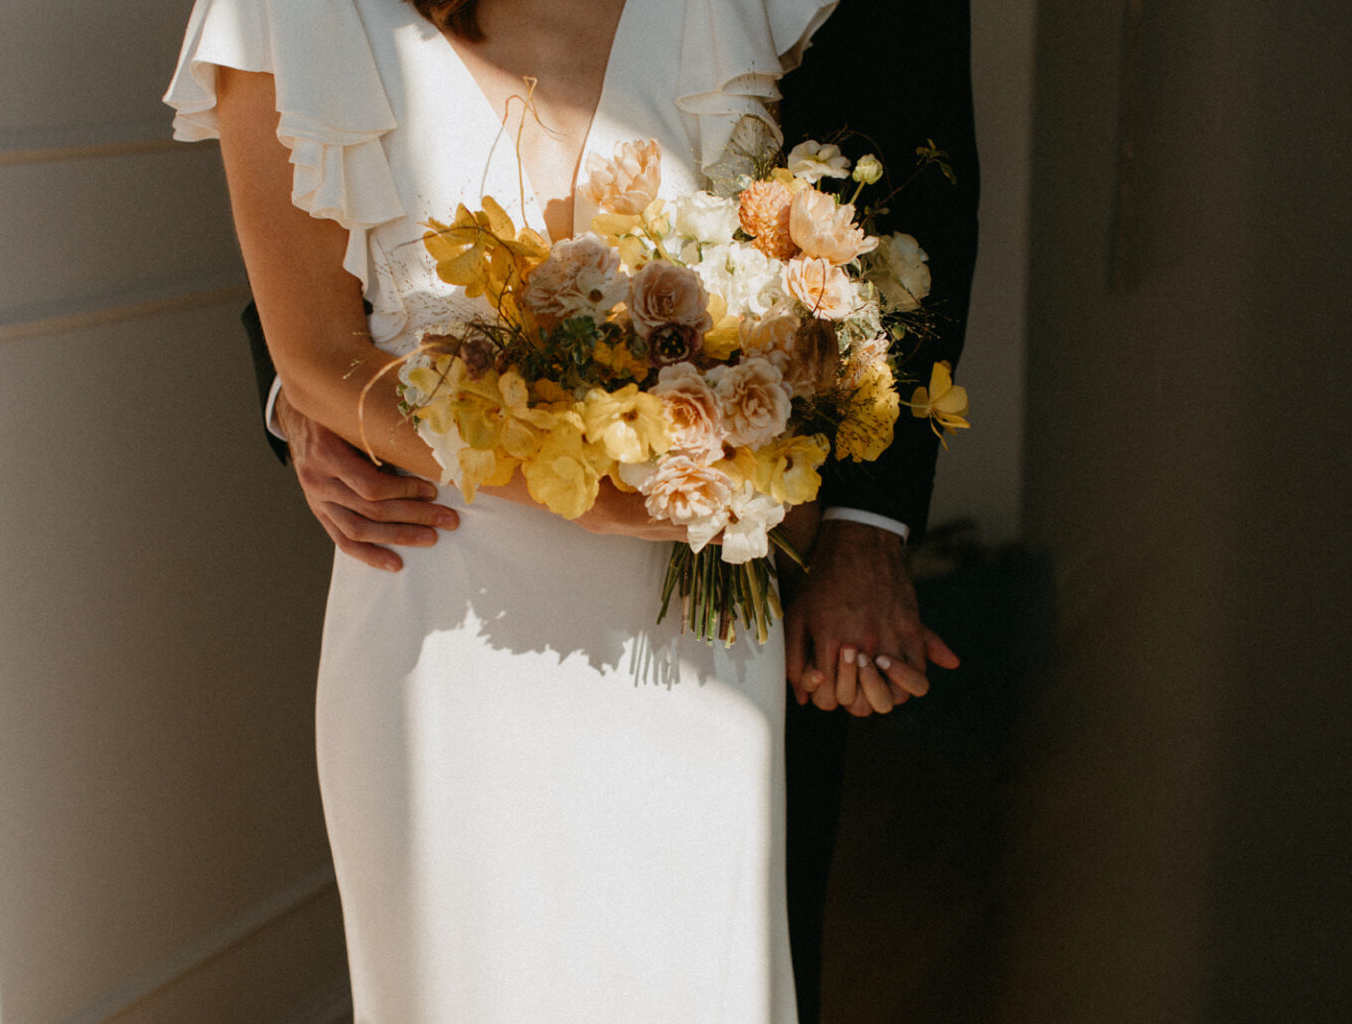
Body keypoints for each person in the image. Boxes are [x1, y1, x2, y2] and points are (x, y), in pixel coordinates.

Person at [226, 2, 980, 1019]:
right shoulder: (295, 15)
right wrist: (574, 487)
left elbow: (884, 187)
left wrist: (813, 482)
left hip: (699, 625)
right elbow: (314, 341)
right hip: (446, 613)